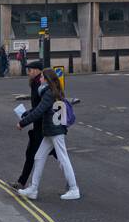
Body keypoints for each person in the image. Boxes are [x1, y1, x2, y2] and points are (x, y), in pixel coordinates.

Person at [17, 67, 80, 201]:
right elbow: (39, 110)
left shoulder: (48, 93)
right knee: (39, 157)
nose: (39, 79)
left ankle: (74, 189)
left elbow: (39, 111)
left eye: (41, 77)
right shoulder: (51, 92)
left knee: (63, 159)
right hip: (51, 131)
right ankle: (33, 189)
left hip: (55, 132)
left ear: (46, 80)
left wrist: (22, 123)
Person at [14, 58, 56, 191]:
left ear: (38, 71)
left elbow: (41, 108)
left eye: (30, 70)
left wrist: (23, 121)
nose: (28, 72)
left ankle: (24, 184)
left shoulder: (40, 85)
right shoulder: (35, 83)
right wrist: (27, 112)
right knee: (48, 154)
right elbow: (37, 107)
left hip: (43, 127)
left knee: (34, 154)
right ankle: (25, 184)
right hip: (40, 126)